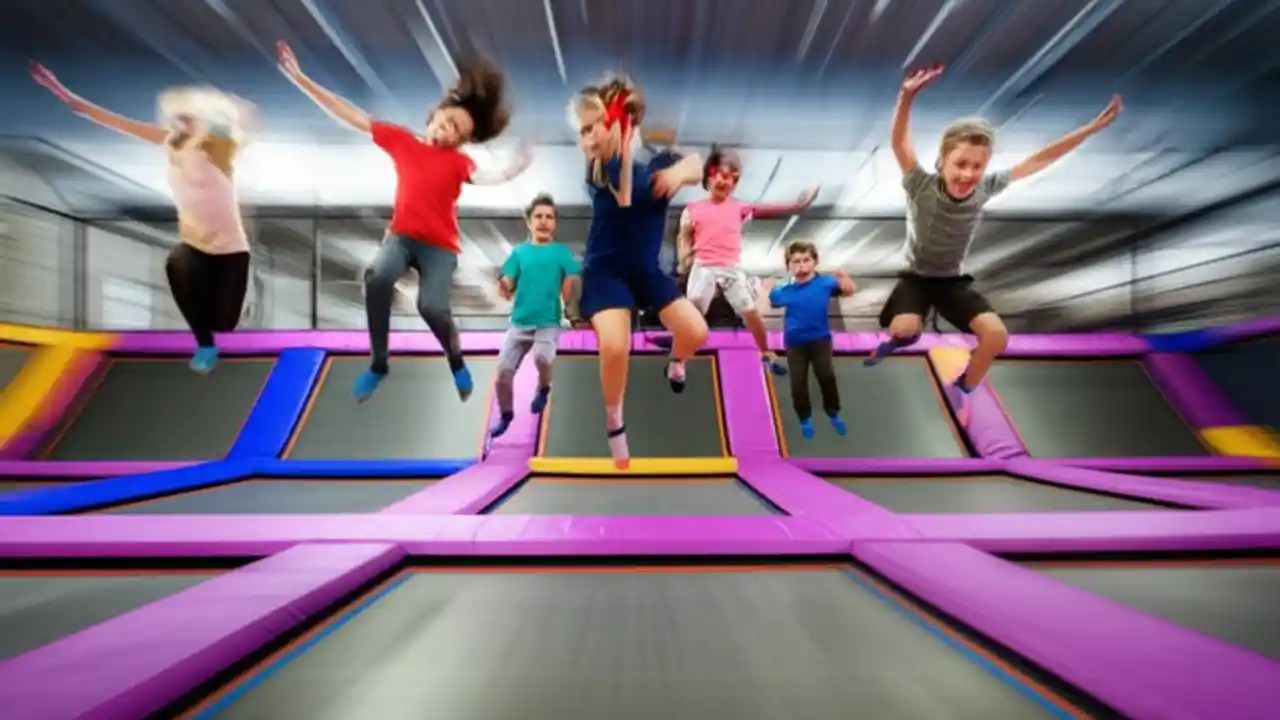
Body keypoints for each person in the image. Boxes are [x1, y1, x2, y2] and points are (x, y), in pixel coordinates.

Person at [276, 41, 531, 403]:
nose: (447, 132)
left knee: (431, 307)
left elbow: (488, 177)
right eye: (446, 122)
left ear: (461, 142)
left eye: (457, 133)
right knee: (377, 279)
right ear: (435, 114)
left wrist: (514, 168)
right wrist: (302, 80)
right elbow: (351, 115)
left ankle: (455, 359)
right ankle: (379, 363)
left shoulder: (459, 163)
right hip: (401, 238)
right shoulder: (401, 141)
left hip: (440, 248)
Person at [868, 63, 1123, 423]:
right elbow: (900, 143)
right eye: (960, 164)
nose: (968, 174)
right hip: (916, 278)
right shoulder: (921, 185)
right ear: (941, 162)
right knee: (905, 331)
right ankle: (898, 337)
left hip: (952, 282)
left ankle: (962, 389)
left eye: (977, 166)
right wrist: (906, 97)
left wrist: (1090, 129)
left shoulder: (986, 187)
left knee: (996, 337)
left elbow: (1041, 159)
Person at [29, 62, 257, 375]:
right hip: (195, 245)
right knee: (175, 263)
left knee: (224, 325)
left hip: (231, 250)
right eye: (179, 119)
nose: (184, 125)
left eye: (191, 119)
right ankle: (204, 344)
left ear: (202, 122)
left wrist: (242, 118)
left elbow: (242, 137)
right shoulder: (168, 141)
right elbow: (113, 121)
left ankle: (234, 320)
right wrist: (60, 90)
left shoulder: (217, 147)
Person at [567, 75, 709, 469]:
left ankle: (676, 362)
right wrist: (619, 137)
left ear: (618, 120)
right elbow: (626, 188)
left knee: (696, 332)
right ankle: (614, 418)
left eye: (594, 126)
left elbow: (697, 165)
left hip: (646, 270)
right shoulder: (598, 167)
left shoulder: (658, 157)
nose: (588, 138)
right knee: (616, 346)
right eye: (583, 131)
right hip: (605, 270)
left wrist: (679, 174)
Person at [677, 144, 819, 376]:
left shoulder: (739, 207)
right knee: (693, 311)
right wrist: (684, 258)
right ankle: (679, 358)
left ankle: (766, 352)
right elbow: (684, 236)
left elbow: (769, 209)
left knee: (750, 312)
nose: (724, 181)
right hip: (704, 266)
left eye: (730, 178)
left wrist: (798, 206)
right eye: (719, 175)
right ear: (709, 178)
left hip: (730, 267)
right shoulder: (693, 209)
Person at [490, 193, 580, 438]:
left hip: (548, 322)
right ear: (529, 222)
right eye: (538, 216)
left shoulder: (561, 253)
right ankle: (506, 414)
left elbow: (571, 281)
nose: (543, 221)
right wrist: (504, 285)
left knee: (543, 357)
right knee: (503, 373)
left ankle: (543, 387)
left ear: (555, 223)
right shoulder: (519, 253)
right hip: (519, 323)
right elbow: (508, 279)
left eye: (549, 217)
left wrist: (571, 306)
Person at [766, 240, 857, 439]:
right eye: (796, 261)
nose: (801, 265)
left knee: (826, 376)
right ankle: (804, 418)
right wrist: (769, 287)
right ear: (789, 266)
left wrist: (844, 277)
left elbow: (849, 290)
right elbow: (772, 299)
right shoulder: (785, 289)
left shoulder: (826, 283)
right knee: (798, 382)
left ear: (815, 262)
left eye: (806, 260)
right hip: (795, 342)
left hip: (820, 338)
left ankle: (833, 412)